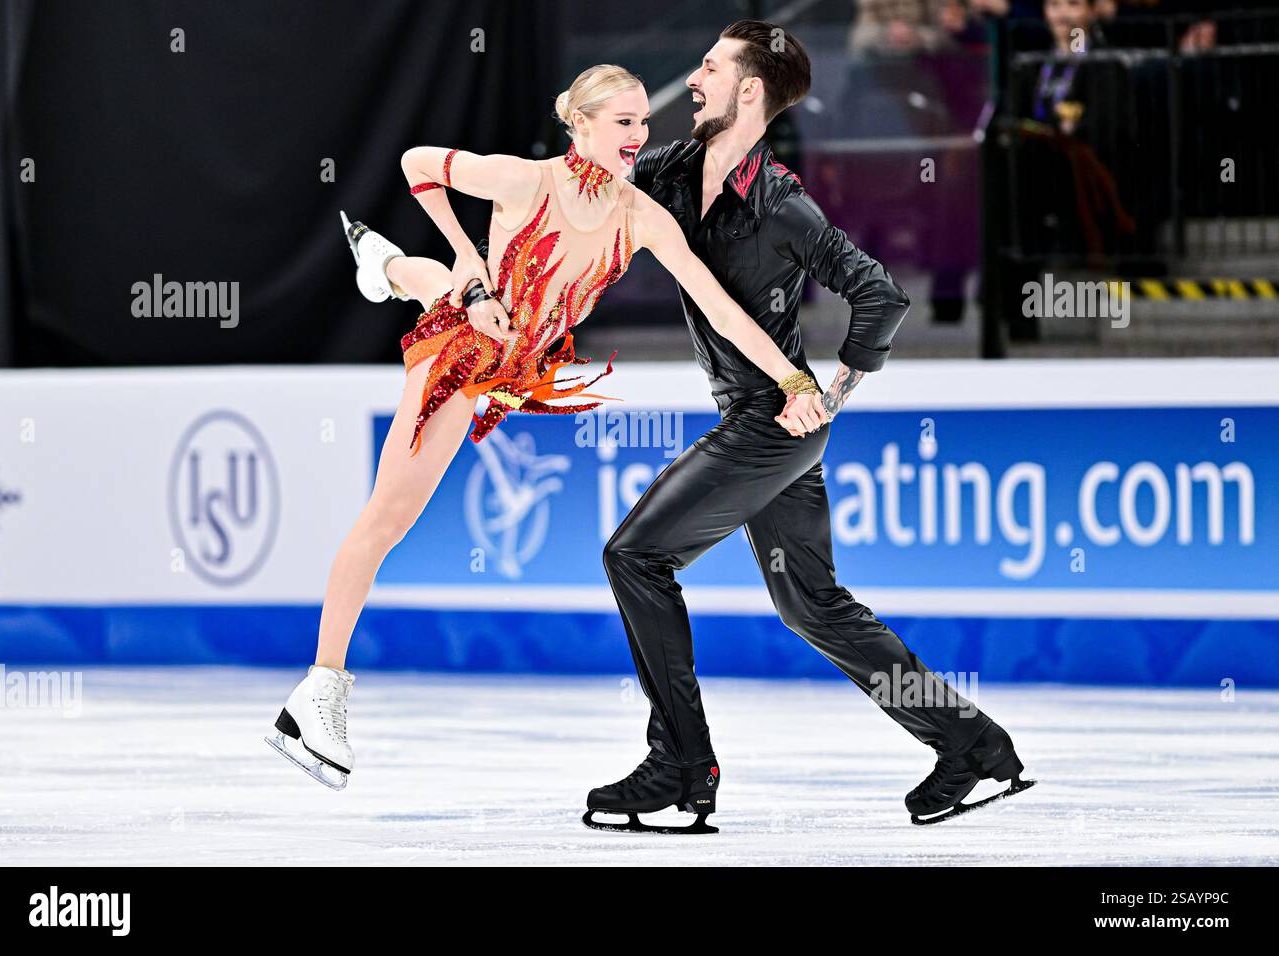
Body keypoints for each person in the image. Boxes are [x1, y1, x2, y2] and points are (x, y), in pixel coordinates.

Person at [264, 64, 830, 790]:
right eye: (623, 122)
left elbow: (718, 307)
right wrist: (469, 266)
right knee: (388, 519)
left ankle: (387, 266)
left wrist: (789, 377)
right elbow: (416, 165)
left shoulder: (640, 216)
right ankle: (317, 694)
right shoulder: (524, 181)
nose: (639, 134)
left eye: (642, 122)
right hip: (465, 356)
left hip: (523, 363)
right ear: (582, 124)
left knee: (434, 288)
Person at [581, 20, 1032, 833]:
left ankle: (681, 761)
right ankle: (972, 744)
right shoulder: (672, 173)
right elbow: (587, 191)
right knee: (813, 606)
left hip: (770, 424)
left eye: (710, 66)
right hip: (764, 428)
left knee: (636, 556)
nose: (694, 78)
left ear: (748, 91)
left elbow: (880, 295)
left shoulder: (783, 204)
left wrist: (834, 392)